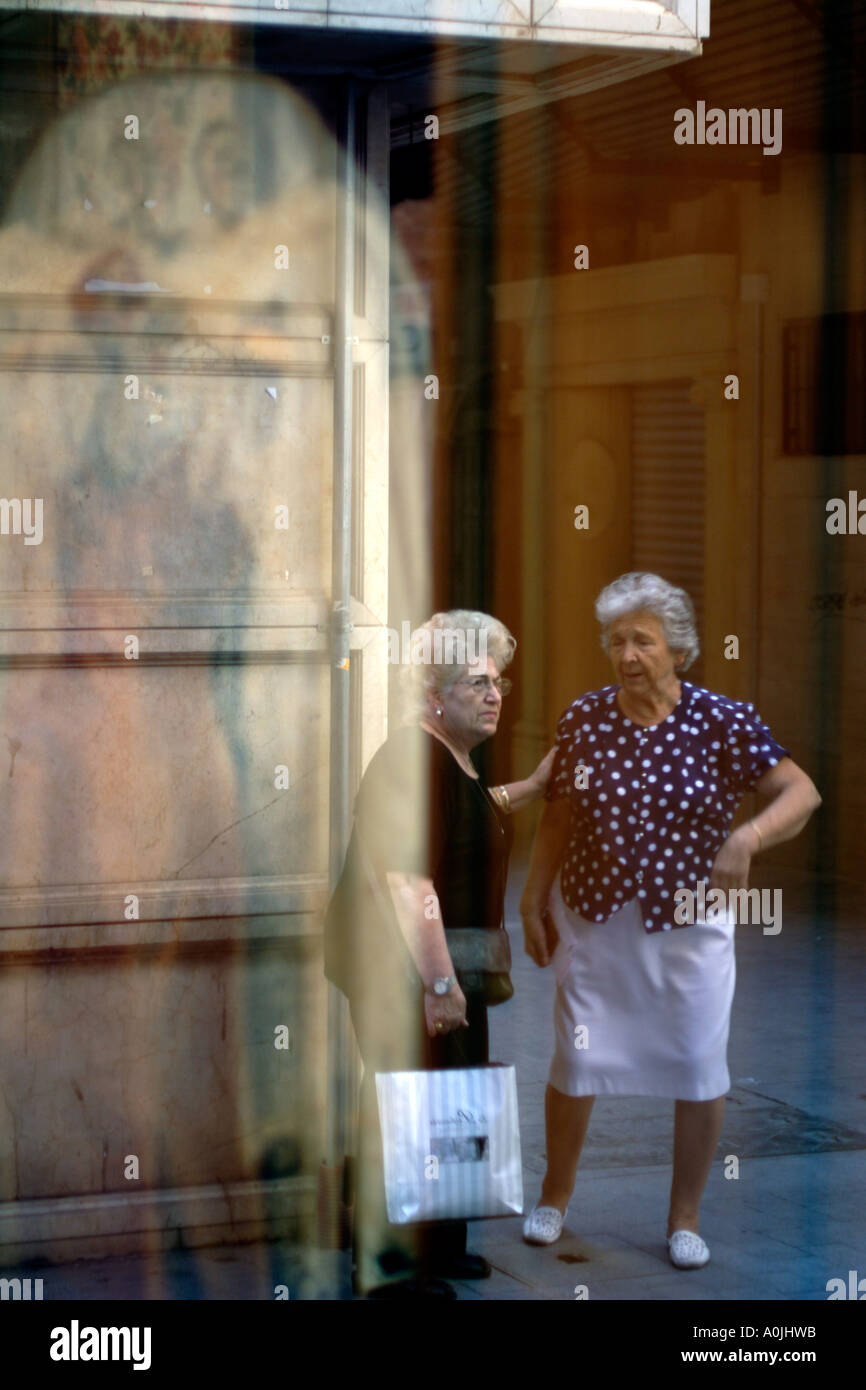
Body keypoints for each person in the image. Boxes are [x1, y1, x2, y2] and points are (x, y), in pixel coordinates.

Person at [519, 572, 821, 1269]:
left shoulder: (723, 721)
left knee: (695, 1062)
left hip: (691, 922)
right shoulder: (584, 718)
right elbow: (559, 814)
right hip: (595, 916)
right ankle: (554, 1197)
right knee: (579, 1059)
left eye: (644, 641)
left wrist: (747, 838)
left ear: (678, 651)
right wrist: (532, 901)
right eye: (618, 640)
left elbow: (801, 791)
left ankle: (684, 1218)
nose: (628, 655)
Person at [329, 609, 553, 1298]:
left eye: (499, 682)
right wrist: (437, 984)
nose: (494, 695)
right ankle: (392, 1268)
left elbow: (464, 811)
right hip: (403, 964)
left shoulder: (445, 756)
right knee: (407, 1098)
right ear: (433, 693)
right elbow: (407, 879)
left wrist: (530, 790)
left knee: (445, 1096)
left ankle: (440, 1242)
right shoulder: (407, 757)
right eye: (476, 682)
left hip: (451, 959)